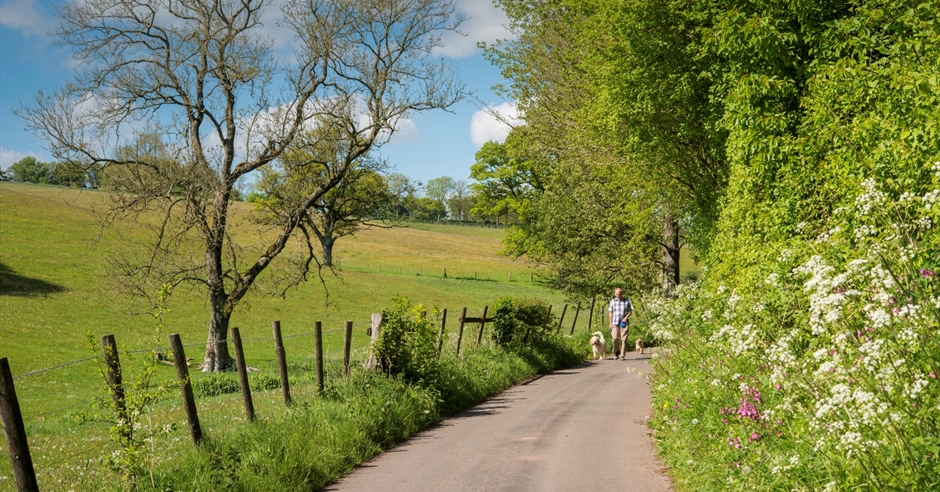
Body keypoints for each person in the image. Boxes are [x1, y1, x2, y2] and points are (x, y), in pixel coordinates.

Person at [608, 287, 633, 359]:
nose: (618, 295)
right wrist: (610, 323)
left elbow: (630, 310)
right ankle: (616, 352)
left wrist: (626, 318)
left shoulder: (627, 300)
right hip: (615, 322)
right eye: (617, 294)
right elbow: (610, 312)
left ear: (622, 294)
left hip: (624, 323)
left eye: (619, 294)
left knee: (624, 339)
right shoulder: (612, 301)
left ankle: (622, 355)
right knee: (615, 338)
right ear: (615, 294)